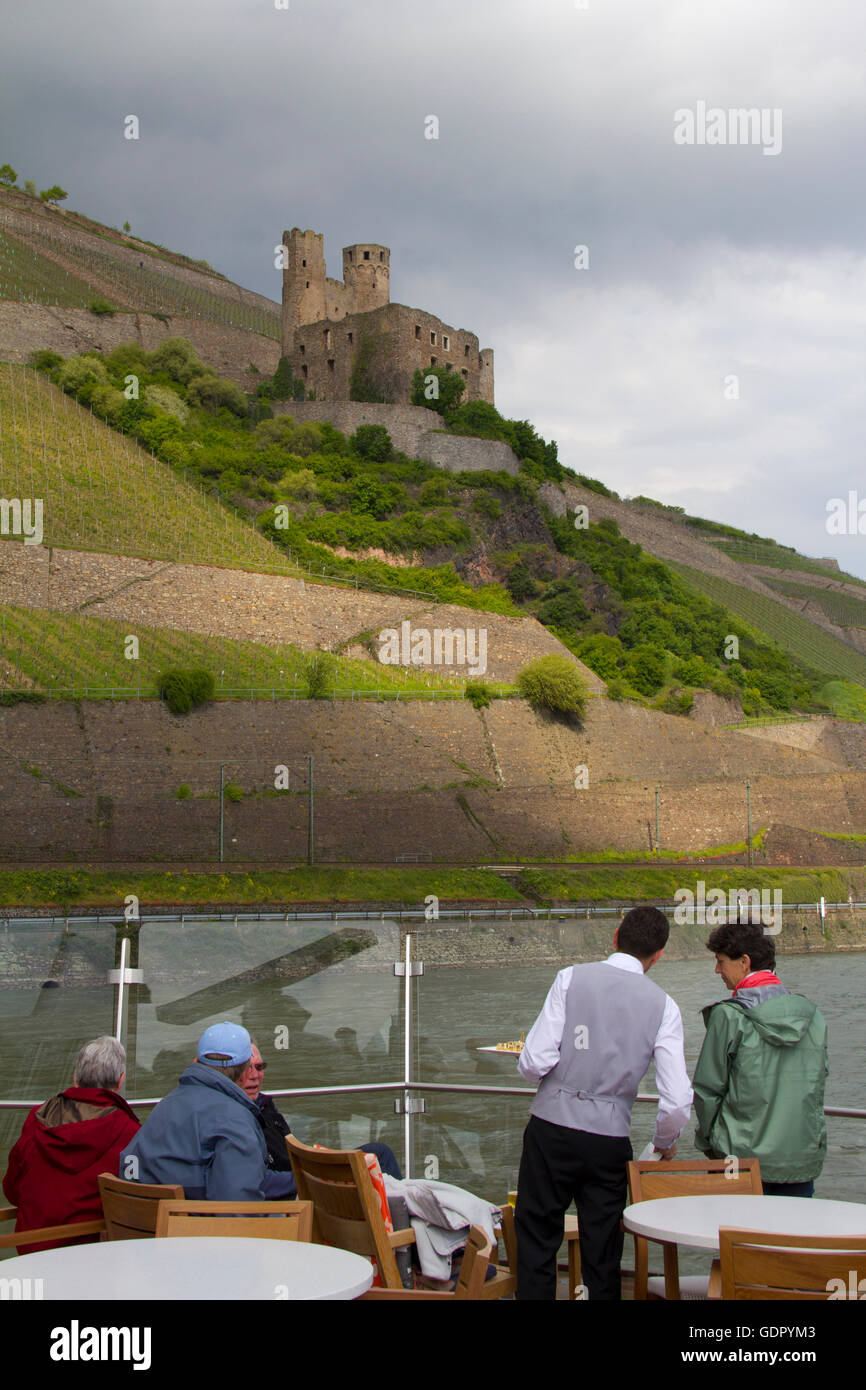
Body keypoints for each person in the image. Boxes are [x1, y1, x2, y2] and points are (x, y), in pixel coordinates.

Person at [514, 905, 692, 1300]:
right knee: (603, 1253)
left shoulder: (570, 978)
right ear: (658, 955)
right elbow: (677, 1102)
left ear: (615, 935)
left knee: (536, 1239)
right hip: (608, 1139)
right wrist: (662, 1144)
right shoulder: (665, 1007)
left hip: (551, 1128)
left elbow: (534, 1062)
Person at [693, 918, 828, 1196]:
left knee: (736, 1236)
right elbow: (817, 1087)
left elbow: (708, 1091)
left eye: (720, 961)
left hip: (738, 1159)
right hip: (799, 1158)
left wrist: (711, 1144)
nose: (717, 969)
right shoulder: (812, 1016)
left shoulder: (728, 1016)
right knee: (789, 1236)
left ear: (744, 962)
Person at [3, 1036, 139, 1251]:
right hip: (90, 1258)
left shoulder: (37, 1118)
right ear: (120, 1081)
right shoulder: (129, 1132)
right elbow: (133, 1203)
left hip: (30, 1252)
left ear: (76, 1079)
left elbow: (12, 1189)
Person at [120, 1022, 268, 1200]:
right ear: (246, 1071)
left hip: (144, 1223)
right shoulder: (235, 1121)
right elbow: (237, 1209)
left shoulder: (166, 1105)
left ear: (197, 1062)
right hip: (191, 1225)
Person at [241, 1040, 403, 1195]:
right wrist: (313, 1176)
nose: (254, 1075)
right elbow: (259, 1182)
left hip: (302, 1176)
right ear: (232, 1073)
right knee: (377, 1158)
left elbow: (291, 1152)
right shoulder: (238, 1117)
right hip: (296, 1192)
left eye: (259, 1067)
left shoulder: (264, 1105)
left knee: (378, 1153)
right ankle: (398, 1216)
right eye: (247, 1068)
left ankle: (398, 1213)